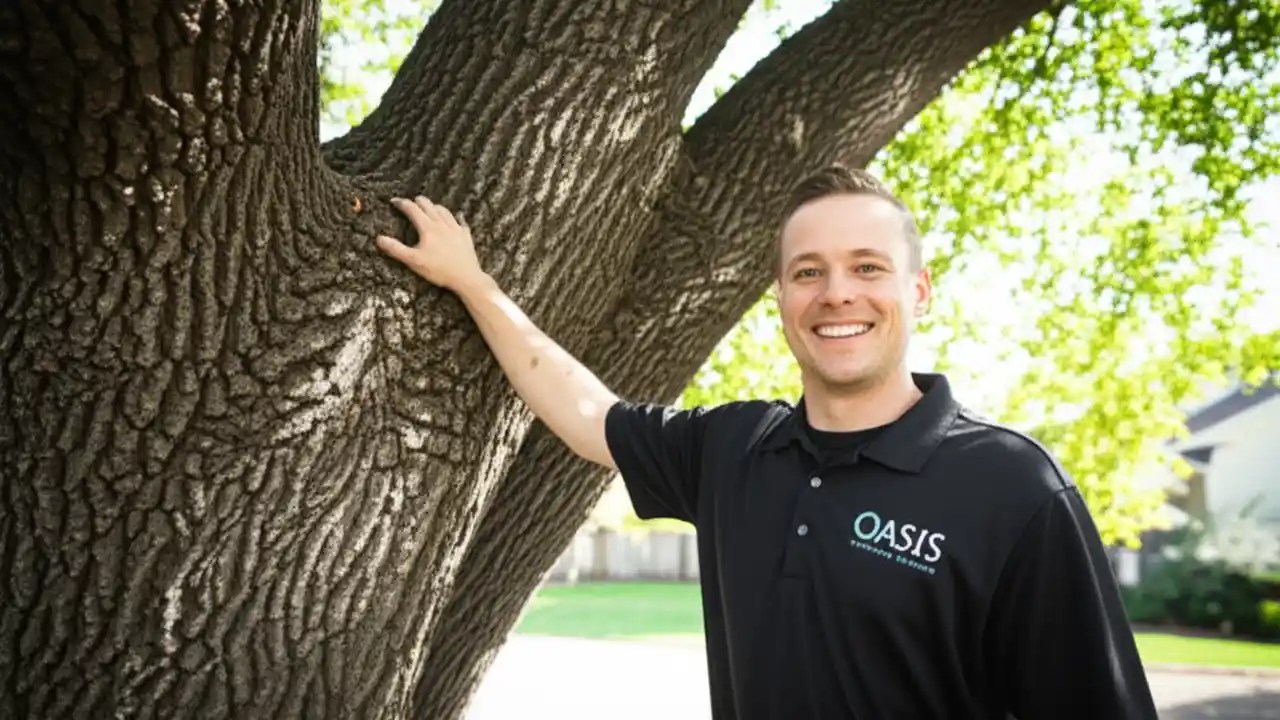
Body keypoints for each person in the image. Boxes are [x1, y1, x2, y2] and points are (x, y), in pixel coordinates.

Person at [375, 166, 1158, 719]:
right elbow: (587, 412)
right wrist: (471, 282)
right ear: (780, 296)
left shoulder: (1014, 488)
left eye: (868, 268)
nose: (837, 293)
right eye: (808, 272)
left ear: (917, 292)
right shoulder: (735, 448)